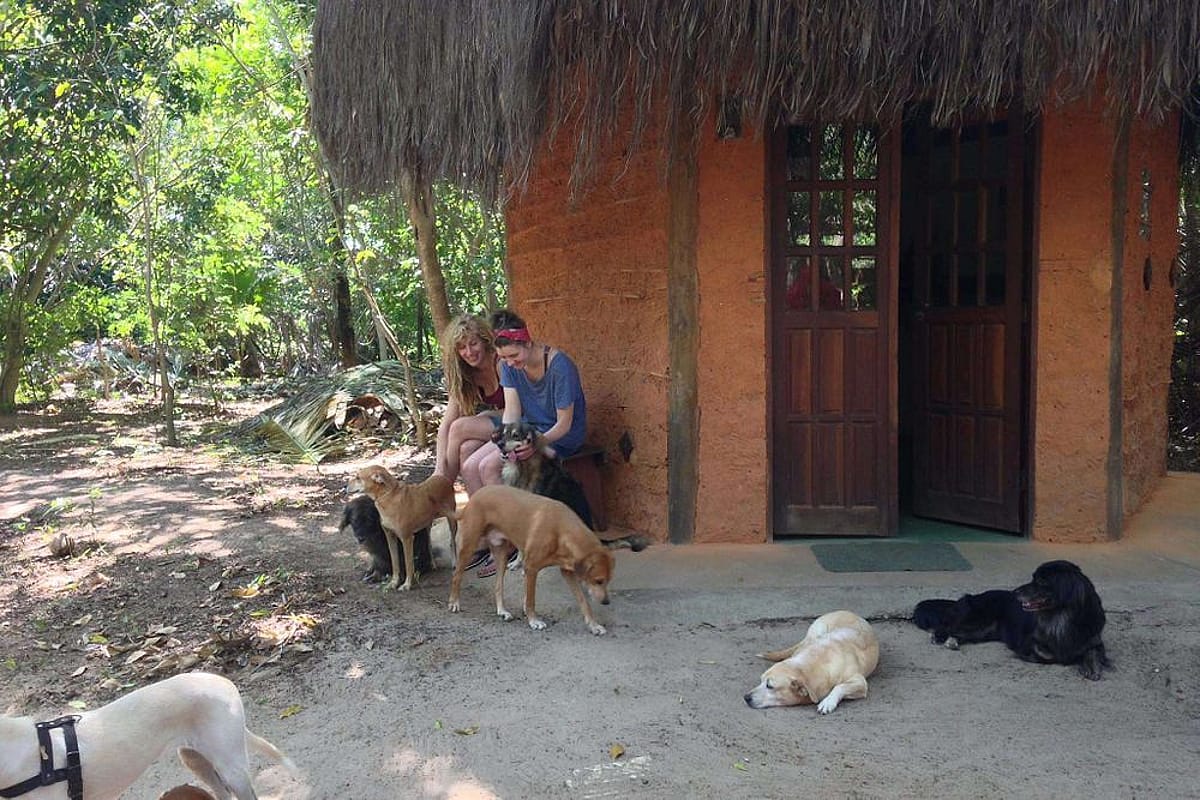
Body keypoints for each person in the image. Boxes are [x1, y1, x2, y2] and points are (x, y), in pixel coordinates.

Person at [459, 308, 588, 575]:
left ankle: (511, 543)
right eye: (504, 358)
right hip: (529, 428)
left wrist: (535, 443)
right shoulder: (508, 365)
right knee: (472, 464)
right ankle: (487, 538)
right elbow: (512, 411)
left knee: (488, 467)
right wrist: (505, 438)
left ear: (527, 342)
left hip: (559, 435)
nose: (510, 363)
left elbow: (564, 423)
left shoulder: (560, 366)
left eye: (514, 356)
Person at [434, 314, 504, 482]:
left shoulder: (500, 363)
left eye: (473, 344)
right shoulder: (466, 375)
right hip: (501, 421)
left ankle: (443, 486)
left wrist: (489, 415)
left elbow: (521, 407)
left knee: (460, 427)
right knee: (466, 447)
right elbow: (446, 425)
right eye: (462, 347)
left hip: (521, 421)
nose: (469, 352)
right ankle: (478, 505)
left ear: (485, 340)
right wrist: (438, 467)